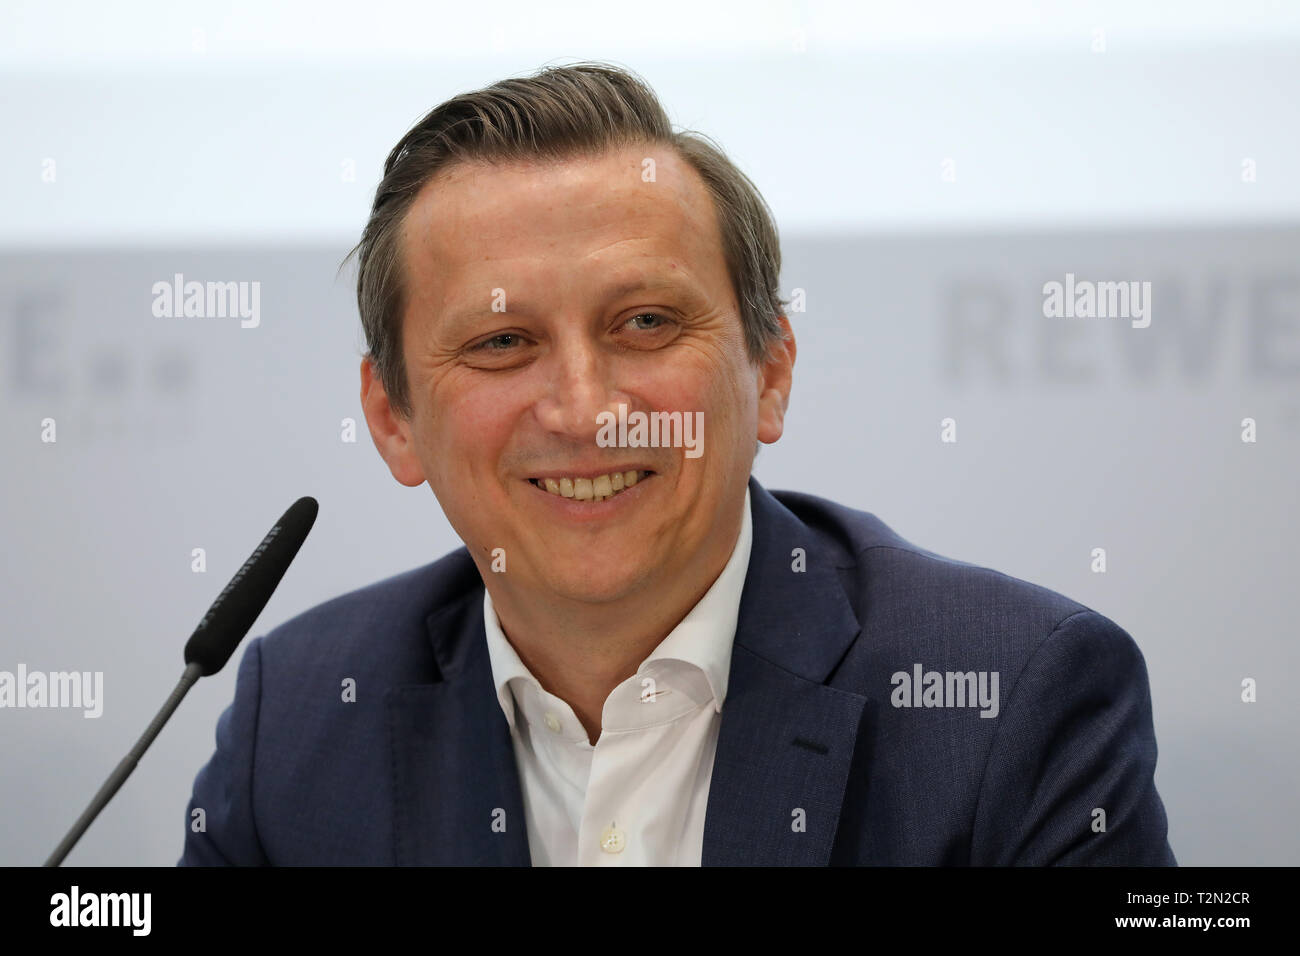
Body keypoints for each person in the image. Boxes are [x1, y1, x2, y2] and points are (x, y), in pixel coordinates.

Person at [179, 62, 1175, 866]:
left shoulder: (1011, 696)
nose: (585, 411)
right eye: (502, 342)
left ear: (770, 372)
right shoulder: (298, 717)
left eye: (646, 323)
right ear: (392, 419)